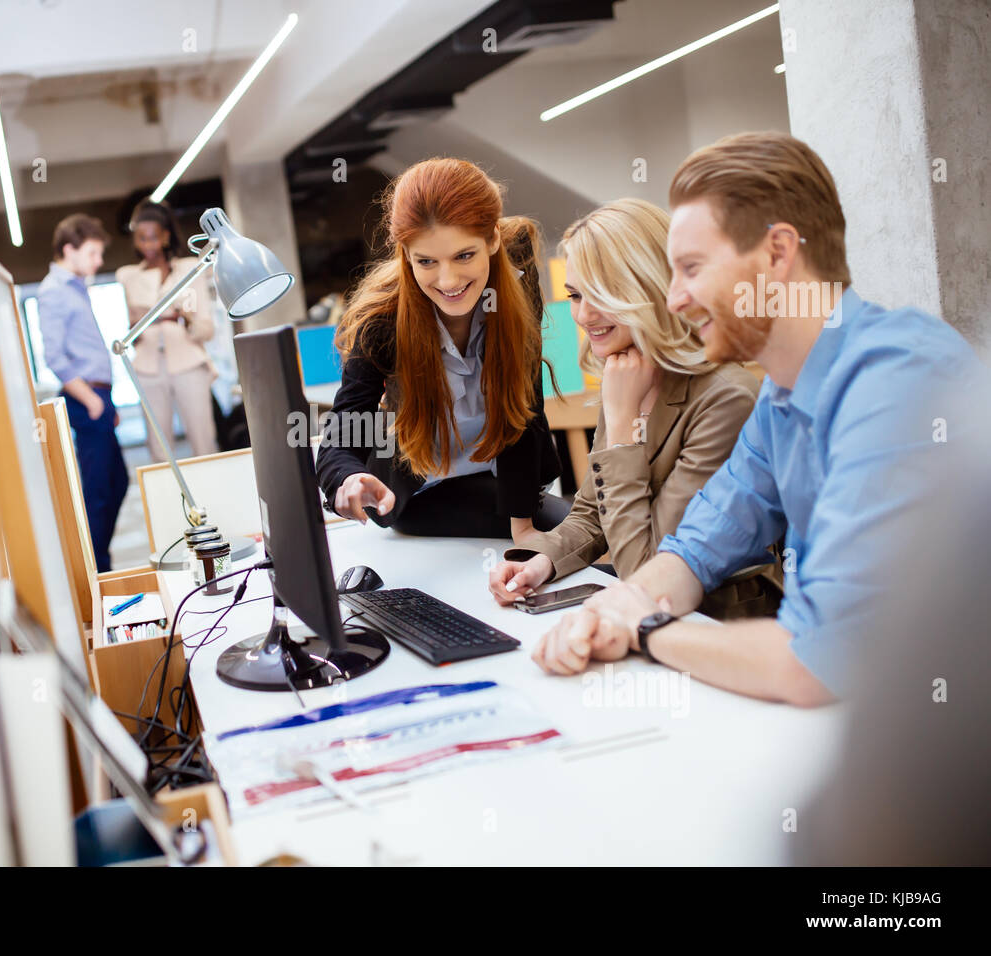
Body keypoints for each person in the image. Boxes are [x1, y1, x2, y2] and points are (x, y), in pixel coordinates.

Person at [531, 131, 990, 705]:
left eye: (692, 268)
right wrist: (613, 610)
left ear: (777, 254)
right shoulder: (781, 397)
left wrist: (645, 628)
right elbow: (692, 552)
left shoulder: (896, 378)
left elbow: (816, 661)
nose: (673, 300)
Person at [485, 198, 773, 617]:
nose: (583, 315)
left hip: (721, 623)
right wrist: (540, 561)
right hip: (654, 615)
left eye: (602, 294)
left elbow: (651, 571)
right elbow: (591, 514)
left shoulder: (727, 398)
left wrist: (620, 430)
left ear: (651, 288)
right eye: (575, 294)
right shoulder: (629, 372)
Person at [316, 157, 565, 543]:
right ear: (405, 254)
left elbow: (523, 405)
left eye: (464, 255)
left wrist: (524, 531)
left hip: (507, 482)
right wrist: (347, 478)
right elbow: (346, 427)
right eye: (426, 261)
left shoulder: (516, 274)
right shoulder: (384, 316)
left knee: (579, 534)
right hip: (419, 493)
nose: (448, 280)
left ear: (493, 239)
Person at [37, 213, 126, 572]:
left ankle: (98, 561)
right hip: (84, 398)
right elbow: (54, 356)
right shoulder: (52, 291)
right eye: (92, 253)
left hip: (98, 396)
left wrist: (106, 401)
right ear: (69, 250)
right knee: (98, 490)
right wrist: (90, 399)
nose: (99, 261)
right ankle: (95, 570)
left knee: (116, 482)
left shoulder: (76, 285)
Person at [116, 201, 218, 462]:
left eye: (153, 237)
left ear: (165, 236)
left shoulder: (190, 269)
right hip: (147, 367)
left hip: (189, 362)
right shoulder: (128, 276)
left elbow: (206, 329)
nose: (148, 245)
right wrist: (137, 327)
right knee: (158, 446)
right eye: (141, 238)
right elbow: (132, 328)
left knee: (202, 437)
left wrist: (184, 317)